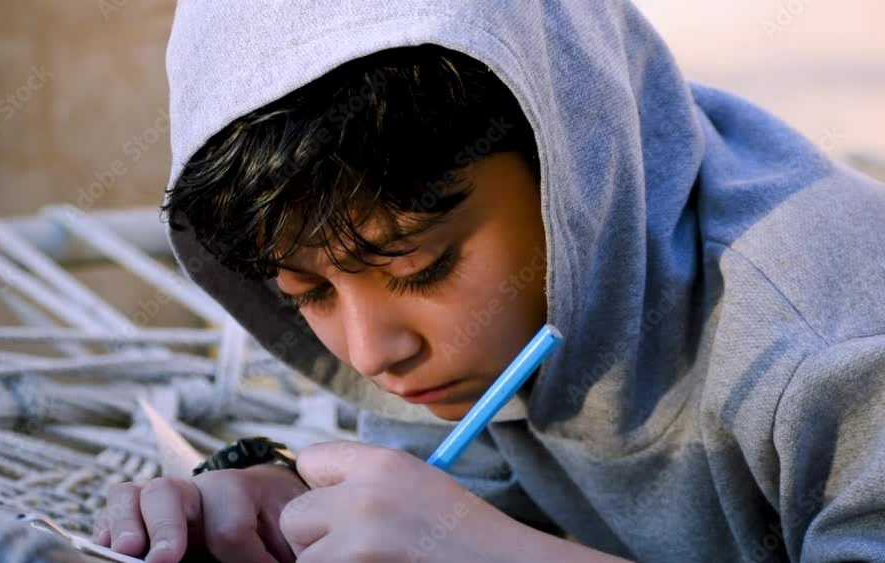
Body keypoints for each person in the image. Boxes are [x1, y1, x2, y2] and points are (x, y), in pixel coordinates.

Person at [91, 0, 885, 561]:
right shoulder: (479, 344)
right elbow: (439, 501)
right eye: (308, 293)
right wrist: (281, 499)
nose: (371, 353)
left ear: (573, 163)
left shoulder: (822, 343)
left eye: (421, 265)